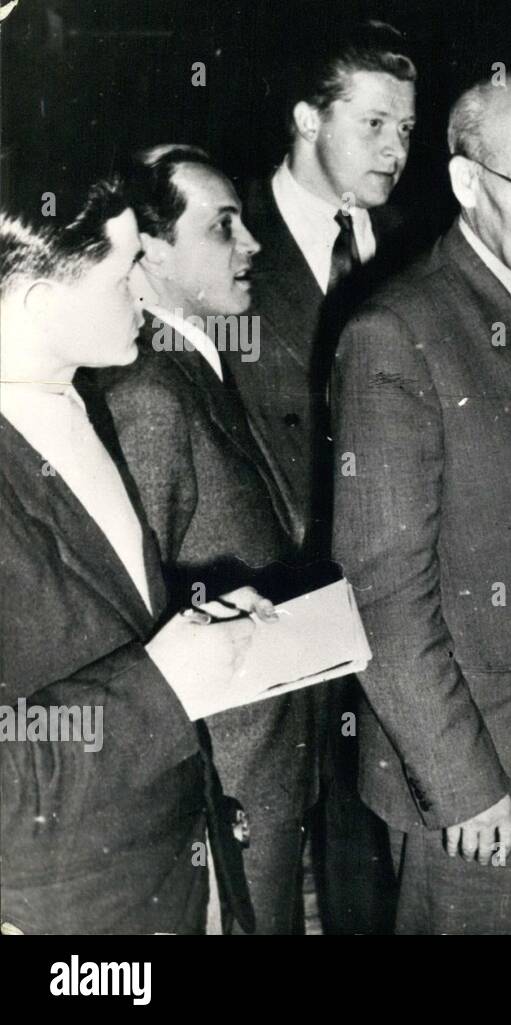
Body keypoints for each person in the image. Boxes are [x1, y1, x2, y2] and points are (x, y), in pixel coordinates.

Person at [332, 69, 511, 934]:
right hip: (475, 785)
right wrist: (461, 785)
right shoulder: (396, 332)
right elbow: (382, 596)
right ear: (466, 181)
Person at [0, 184, 272, 934]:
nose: (143, 299)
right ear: (35, 301)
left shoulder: (77, 397)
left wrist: (195, 627)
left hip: (169, 876)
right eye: (124, 277)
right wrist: (164, 681)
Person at [76, 146, 313, 933]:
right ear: (149, 252)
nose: (251, 246)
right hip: (224, 794)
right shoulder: (147, 393)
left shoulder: (201, 367)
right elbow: (137, 617)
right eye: (223, 227)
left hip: (263, 772)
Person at [229, 20, 418, 933]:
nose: (395, 149)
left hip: (395, 604)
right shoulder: (229, 246)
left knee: (367, 864)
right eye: (375, 124)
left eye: (407, 131)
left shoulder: (415, 249)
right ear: (309, 118)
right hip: (278, 610)